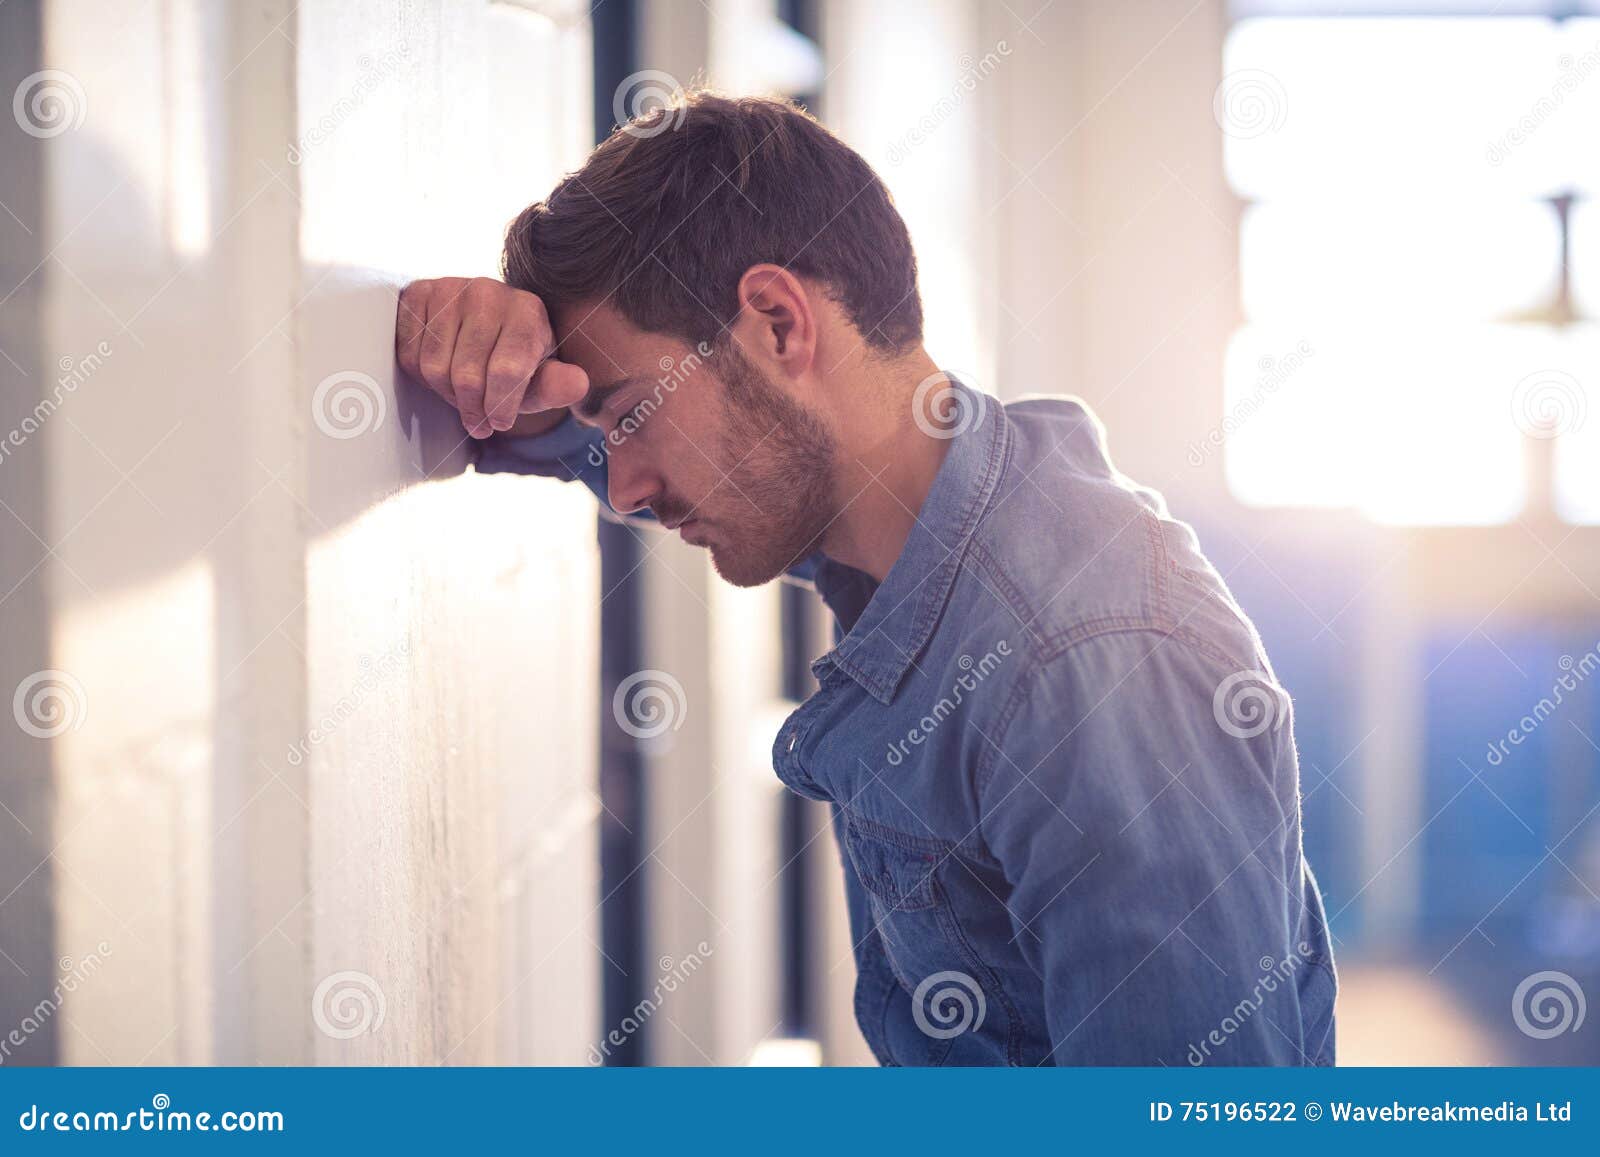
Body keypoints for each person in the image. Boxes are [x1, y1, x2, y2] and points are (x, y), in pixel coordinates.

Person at [394, 90, 1335, 1066]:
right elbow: (573, 441)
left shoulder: (1082, 655)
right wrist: (493, 359)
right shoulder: (905, 513)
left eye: (631, 414)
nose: (622, 486)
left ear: (775, 323)